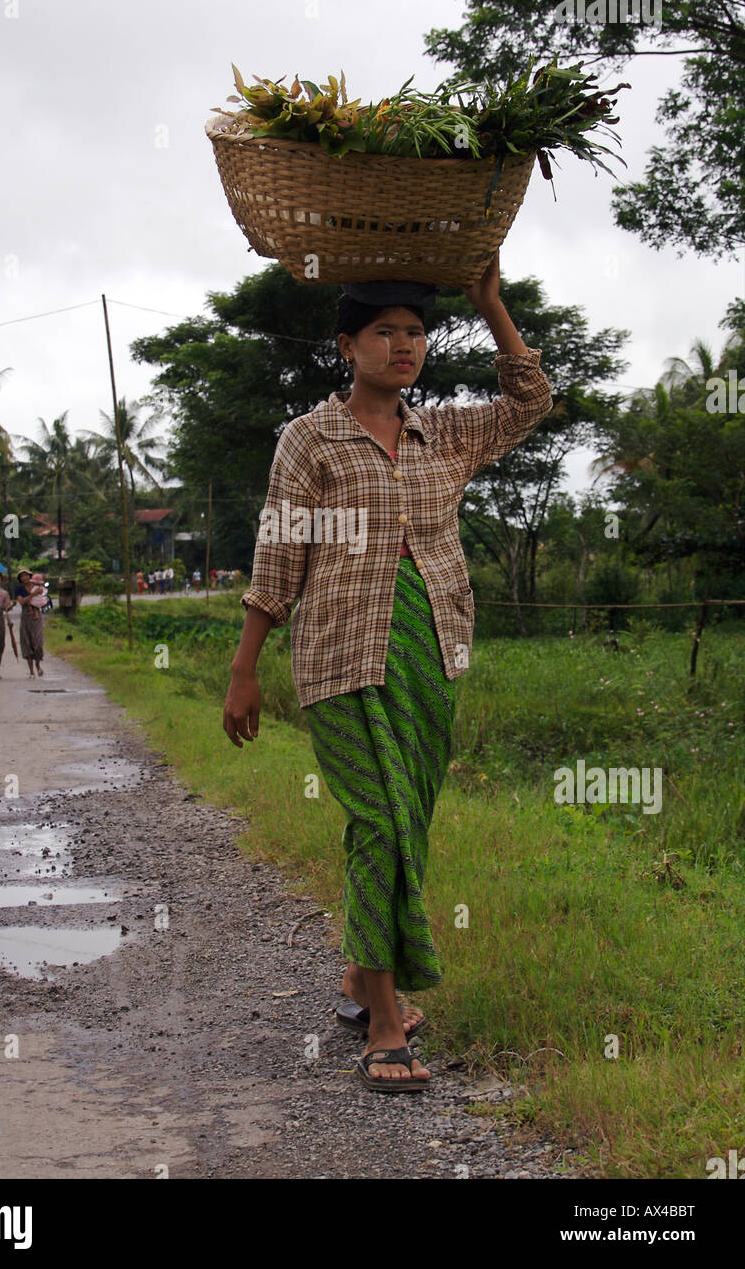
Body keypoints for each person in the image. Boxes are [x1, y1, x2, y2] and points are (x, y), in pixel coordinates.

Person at [223, 252, 552, 1093]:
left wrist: (489, 302)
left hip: (433, 653)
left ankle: (356, 973)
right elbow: (279, 553)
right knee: (380, 819)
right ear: (347, 345)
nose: (403, 347)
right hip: (338, 655)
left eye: (415, 334)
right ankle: (380, 1017)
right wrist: (244, 670)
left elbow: (532, 401)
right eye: (384, 333)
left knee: (410, 816)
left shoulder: (442, 433)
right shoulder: (310, 439)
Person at [14, 568, 45, 678]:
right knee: (27, 642)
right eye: (22, 576)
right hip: (26, 616)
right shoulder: (18, 589)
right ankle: (31, 671)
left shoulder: (36, 586)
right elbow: (21, 601)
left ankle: (38, 664)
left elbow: (42, 597)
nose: (25, 578)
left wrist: (34, 595)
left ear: (30, 576)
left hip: (36, 617)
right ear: (20, 579)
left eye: (26, 575)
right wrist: (32, 595)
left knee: (37, 642)